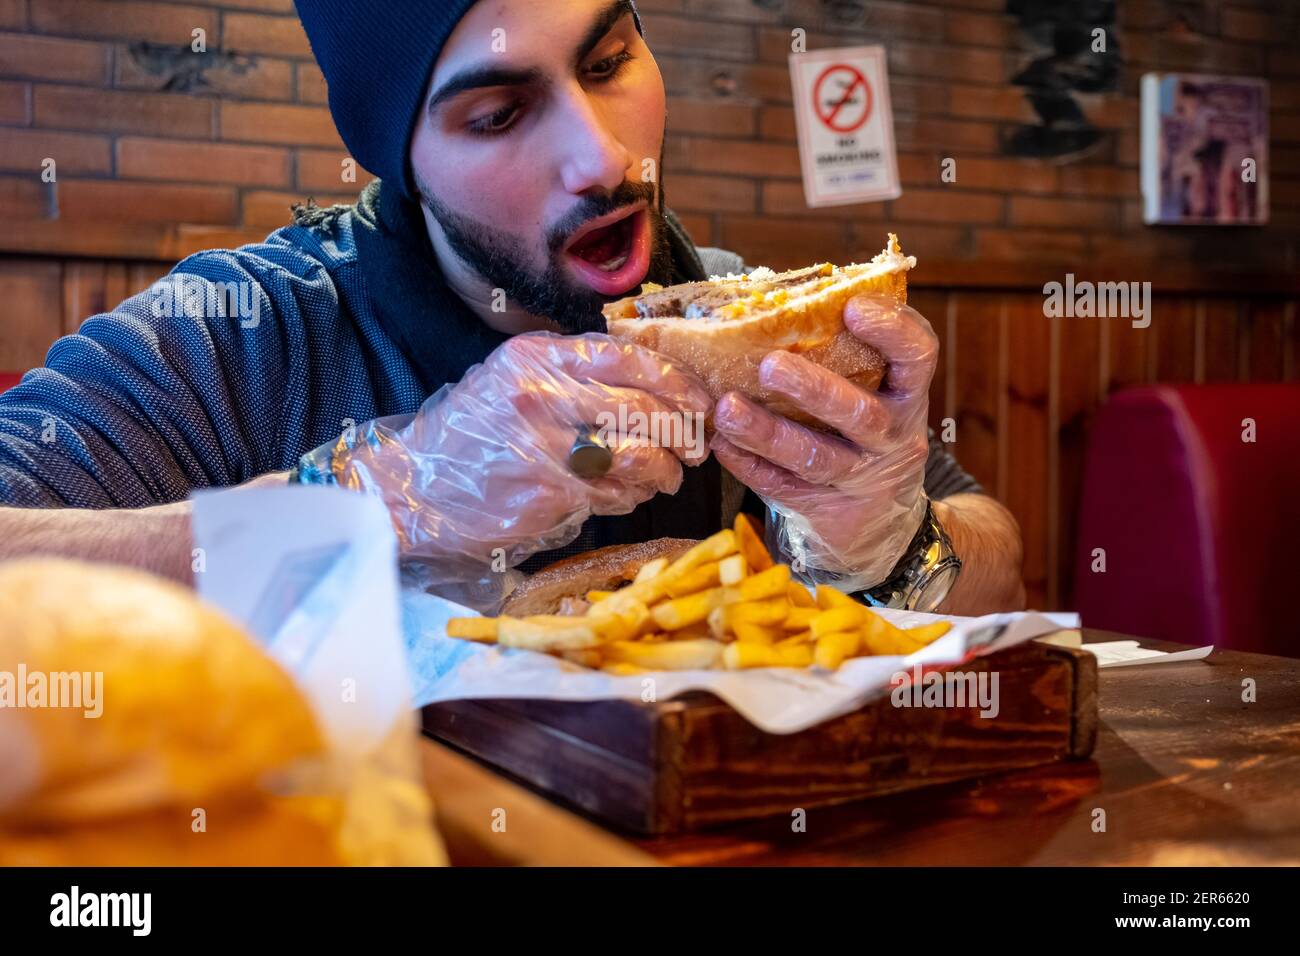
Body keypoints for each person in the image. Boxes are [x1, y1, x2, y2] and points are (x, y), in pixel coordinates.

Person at [0, 0, 1025, 614]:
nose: (602, 156)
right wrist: (368, 499)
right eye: (497, 114)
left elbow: (994, 560)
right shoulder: (241, 335)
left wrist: (891, 537)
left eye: (608, 61)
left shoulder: (743, 322)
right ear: (400, 160)